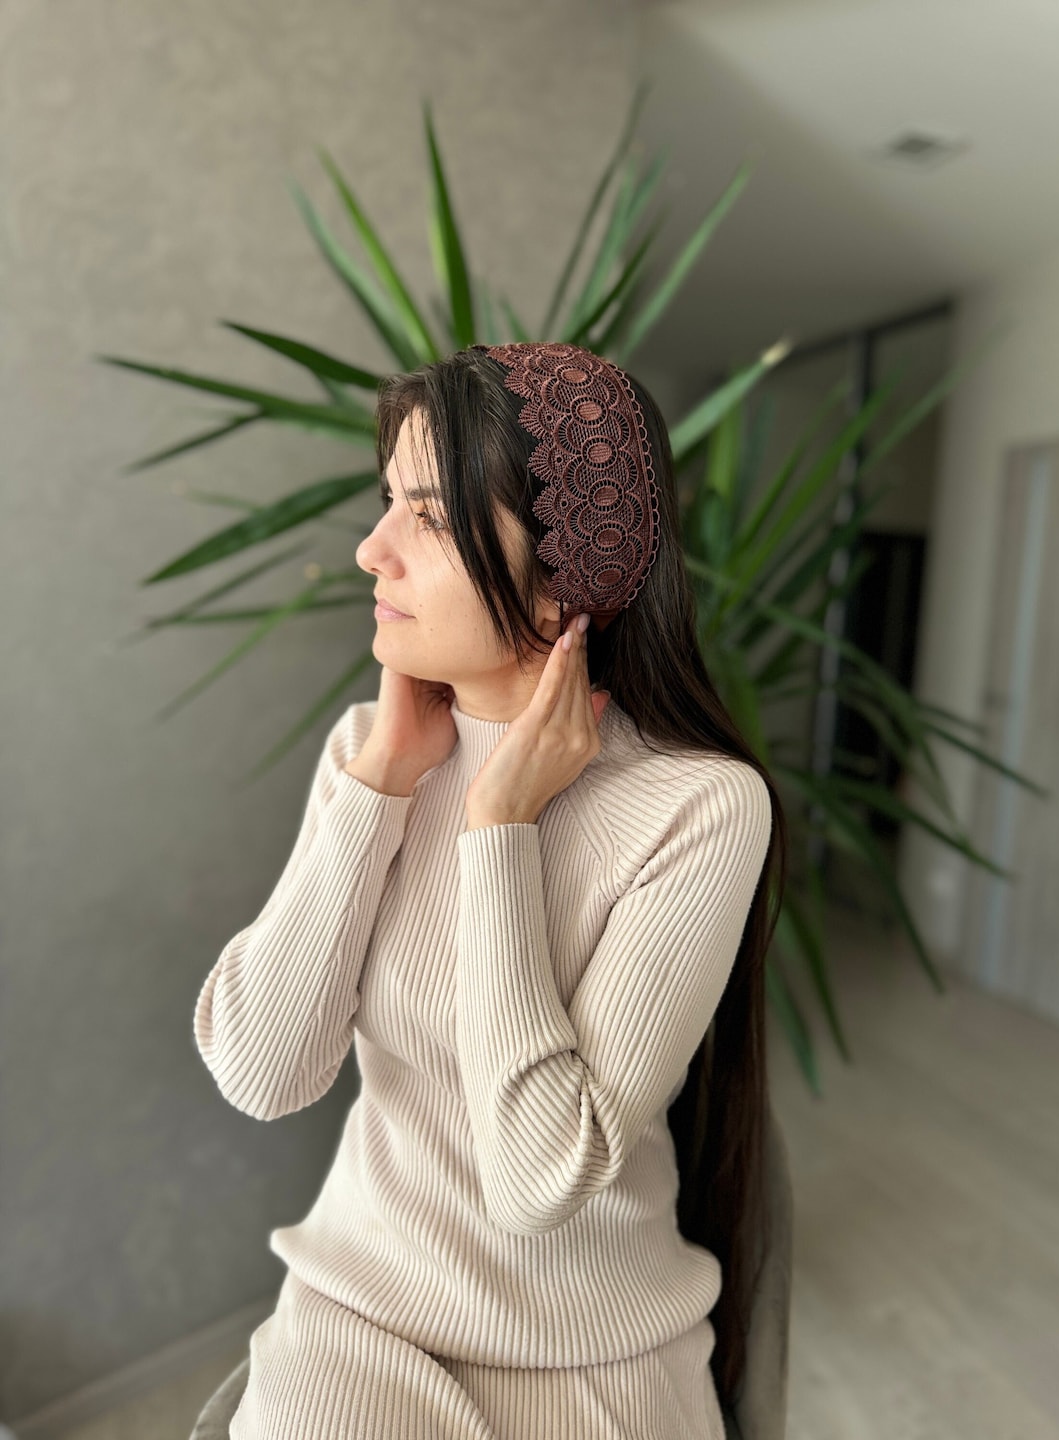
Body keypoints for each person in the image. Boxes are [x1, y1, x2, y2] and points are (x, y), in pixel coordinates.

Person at [193, 341, 787, 1439]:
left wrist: (500, 829)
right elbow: (263, 1073)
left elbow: (536, 1181)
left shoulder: (697, 808)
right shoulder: (368, 752)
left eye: (426, 516)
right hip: (361, 1308)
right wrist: (380, 782)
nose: (371, 549)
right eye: (388, 502)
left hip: (595, 1342)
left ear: (566, 577)